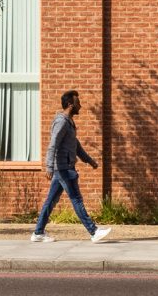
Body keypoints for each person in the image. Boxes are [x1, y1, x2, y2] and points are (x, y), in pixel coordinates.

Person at [30, 89, 110, 243]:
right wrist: (49, 167)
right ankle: (93, 232)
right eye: (77, 102)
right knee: (76, 199)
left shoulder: (69, 123)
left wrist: (89, 160)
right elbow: (53, 144)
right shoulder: (61, 122)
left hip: (63, 168)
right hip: (64, 169)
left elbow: (76, 145)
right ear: (70, 104)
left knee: (50, 201)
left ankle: (38, 232)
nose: (80, 105)